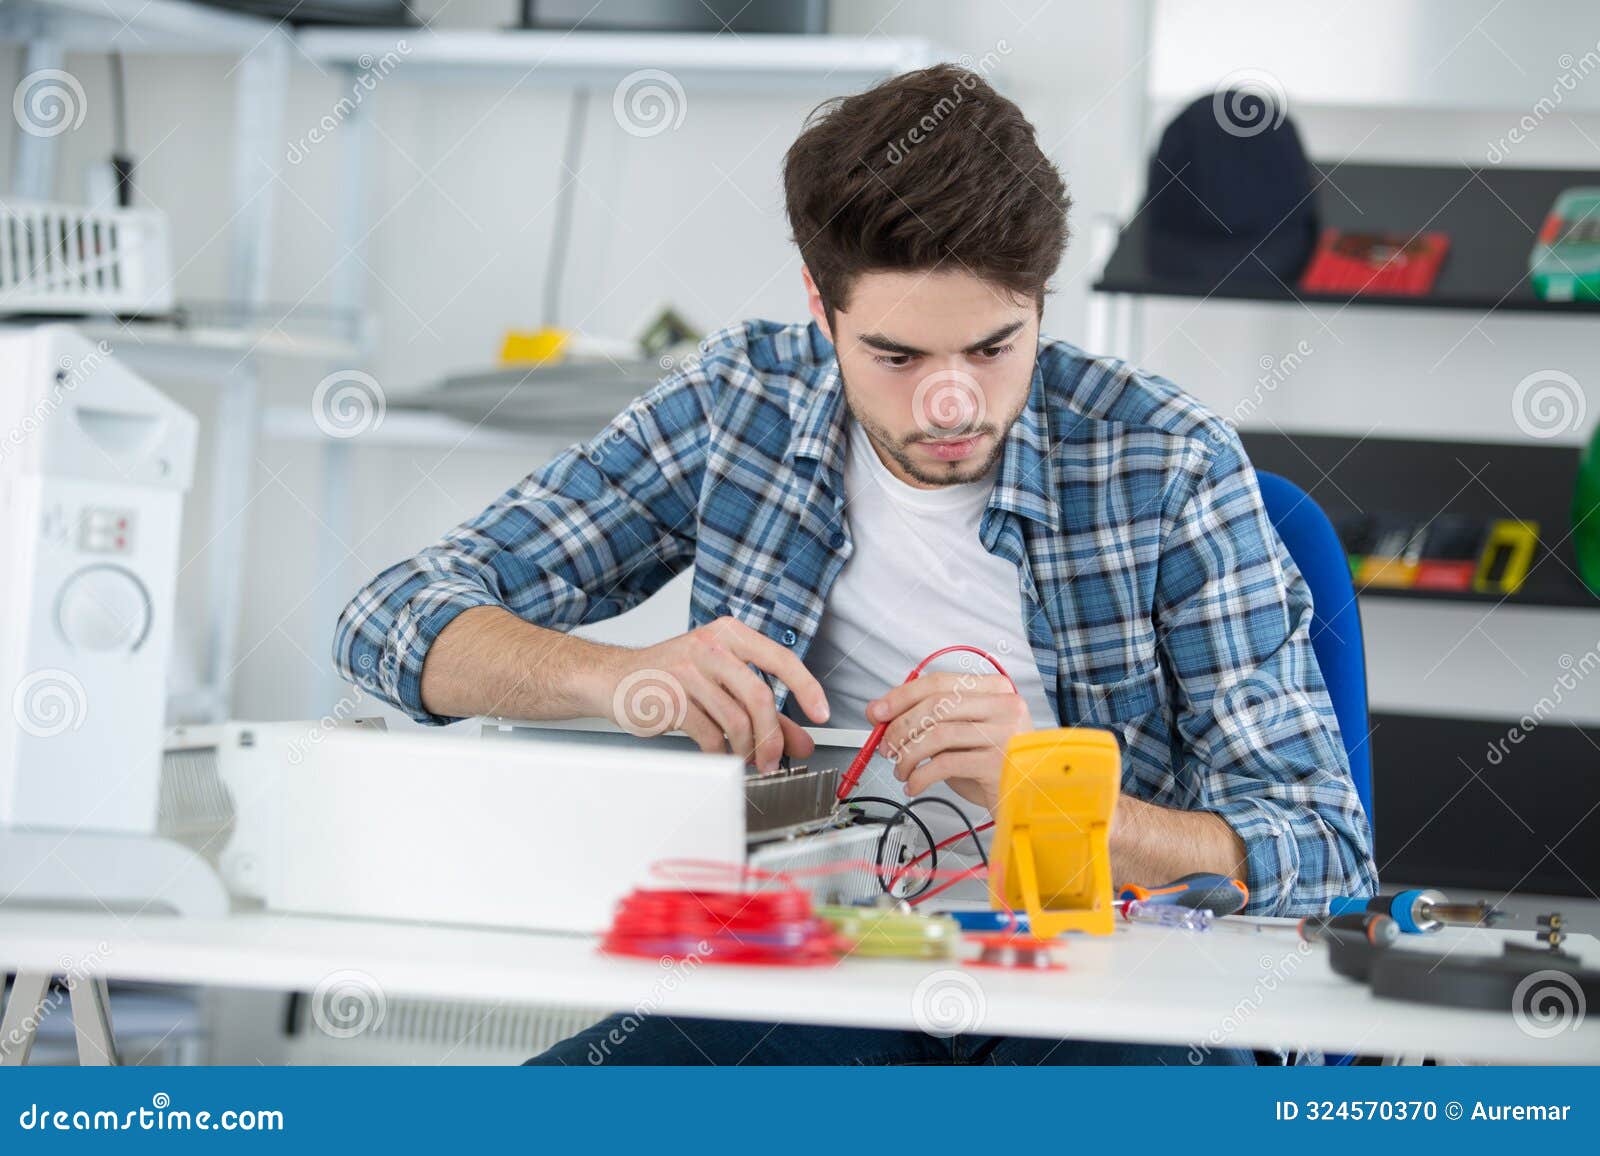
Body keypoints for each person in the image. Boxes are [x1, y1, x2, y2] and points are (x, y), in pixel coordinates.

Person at [334, 65, 1376, 1066]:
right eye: (898, 356)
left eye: (991, 347)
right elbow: (386, 620)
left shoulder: (1165, 460)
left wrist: (1057, 793)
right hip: (819, 970)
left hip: (1107, 983)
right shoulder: (738, 405)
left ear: (1042, 301)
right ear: (819, 307)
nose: (950, 403)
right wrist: (617, 675)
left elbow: (1323, 853)